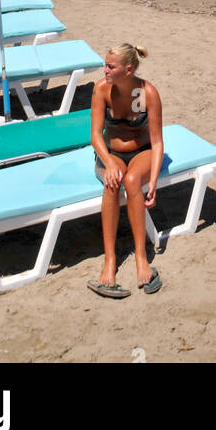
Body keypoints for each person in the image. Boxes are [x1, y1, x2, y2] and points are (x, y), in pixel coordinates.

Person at [89, 44, 163, 298]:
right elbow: (95, 135)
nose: (105, 70)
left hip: (143, 151)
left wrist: (152, 181)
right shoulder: (102, 90)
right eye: (105, 64)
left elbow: (157, 142)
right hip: (111, 153)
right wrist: (108, 162)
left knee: (132, 182)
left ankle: (141, 258)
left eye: (111, 66)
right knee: (113, 181)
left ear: (128, 70)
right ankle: (110, 262)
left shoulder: (146, 93)